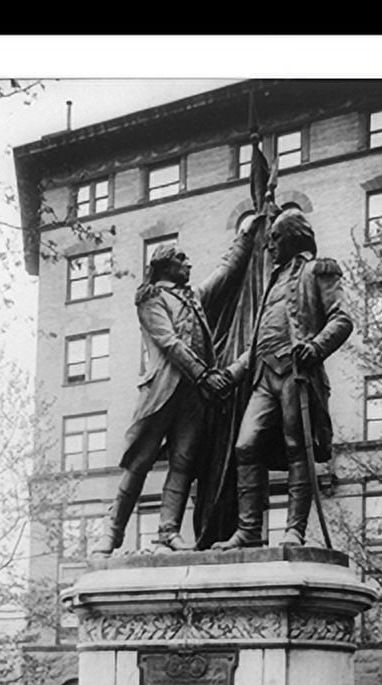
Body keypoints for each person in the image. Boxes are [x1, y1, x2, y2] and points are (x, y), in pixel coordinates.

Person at [91, 219, 263, 555]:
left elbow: (224, 272)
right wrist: (204, 375)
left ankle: (167, 532)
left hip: (193, 398)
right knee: (139, 463)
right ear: (165, 265)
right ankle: (111, 535)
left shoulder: (193, 298)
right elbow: (169, 342)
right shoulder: (151, 298)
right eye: (182, 259)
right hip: (162, 391)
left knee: (183, 463)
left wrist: (246, 234)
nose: (189, 264)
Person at [212, 208, 353, 549]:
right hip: (263, 375)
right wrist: (231, 374)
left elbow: (342, 319)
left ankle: (294, 531)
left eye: (275, 238)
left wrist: (315, 347)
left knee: (297, 449)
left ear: (293, 236)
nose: (269, 246)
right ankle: (248, 531)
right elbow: (257, 342)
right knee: (246, 446)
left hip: (297, 373)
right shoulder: (270, 284)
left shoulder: (319, 270)